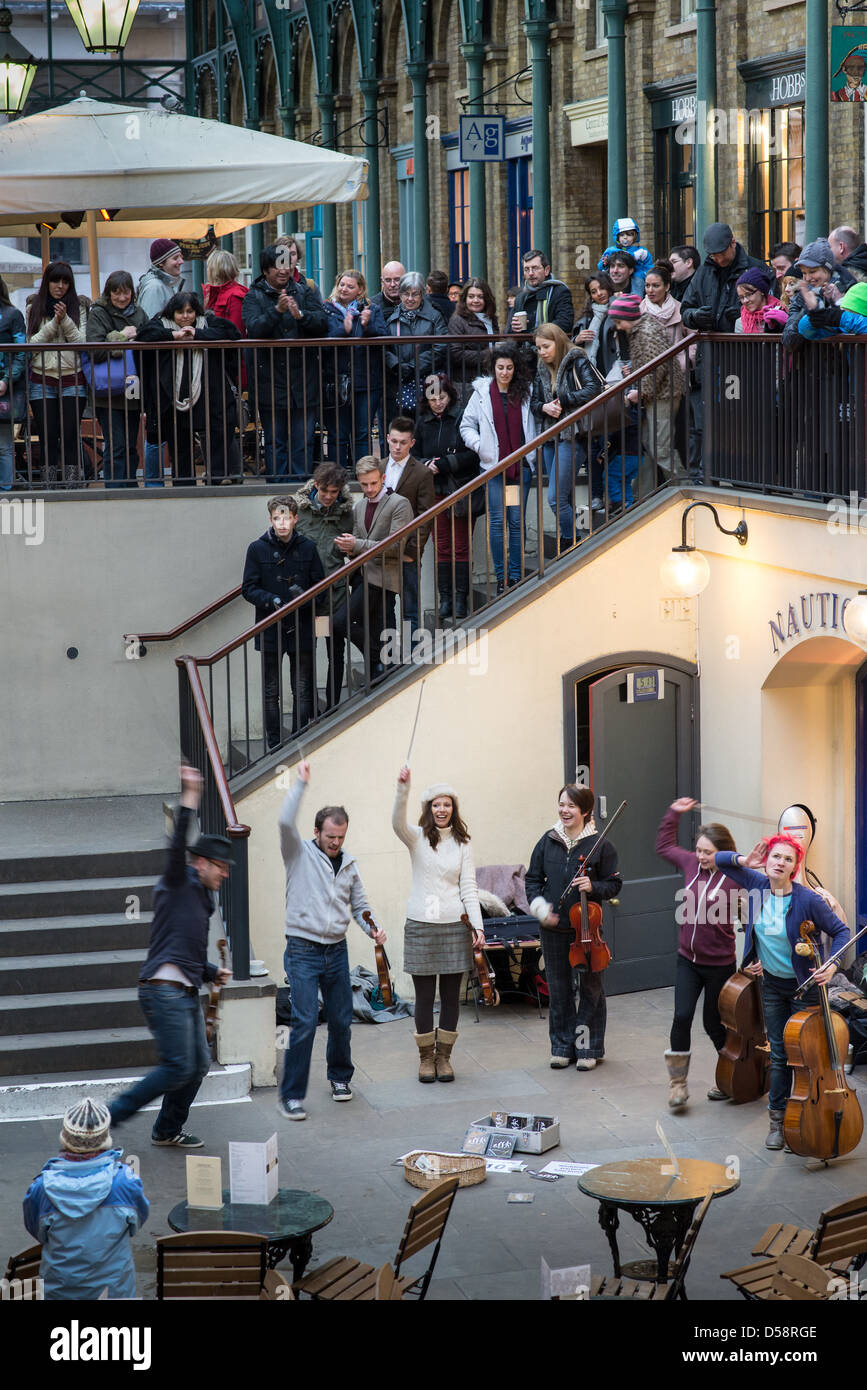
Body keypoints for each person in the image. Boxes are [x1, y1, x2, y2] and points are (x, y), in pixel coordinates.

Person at [109, 765, 233, 1147]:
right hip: (162, 990)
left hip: (181, 990)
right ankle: (107, 1118)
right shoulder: (178, 881)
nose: (225, 874)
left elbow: (186, 950)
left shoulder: (201, 899)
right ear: (201, 862)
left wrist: (212, 972)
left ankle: (166, 1129)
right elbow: (177, 843)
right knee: (179, 1064)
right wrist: (190, 798)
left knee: (196, 1066)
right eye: (221, 867)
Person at [714, 833, 849, 1149]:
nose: (780, 862)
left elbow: (842, 932)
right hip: (773, 986)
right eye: (776, 856)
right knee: (777, 1053)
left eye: (788, 859)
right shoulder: (758, 884)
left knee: (806, 1057)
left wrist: (832, 965)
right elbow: (720, 861)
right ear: (768, 860)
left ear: (794, 868)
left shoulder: (807, 900)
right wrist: (745, 861)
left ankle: (806, 1117)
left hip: (805, 990)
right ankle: (778, 1122)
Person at [277, 758, 386, 1119]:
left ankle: (340, 1078)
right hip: (303, 948)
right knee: (305, 1020)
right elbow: (282, 821)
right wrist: (300, 784)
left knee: (341, 1018)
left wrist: (372, 927)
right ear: (317, 831)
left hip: (336, 950)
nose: (336, 843)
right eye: (330, 836)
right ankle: (291, 1096)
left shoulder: (350, 864)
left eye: (341, 837)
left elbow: (360, 905)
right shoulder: (298, 853)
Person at [393, 766, 484, 1082]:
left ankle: (444, 1058)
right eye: (436, 804)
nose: (442, 809)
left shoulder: (463, 843)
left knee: (450, 997)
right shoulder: (416, 838)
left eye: (447, 804)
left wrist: (478, 927)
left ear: (453, 809)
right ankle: (425, 1058)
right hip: (420, 924)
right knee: (423, 996)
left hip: (454, 925)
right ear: (429, 809)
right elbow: (395, 822)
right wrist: (403, 788)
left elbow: (469, 887)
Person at [654, 798, 744, 1109]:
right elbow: (664, 846)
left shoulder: (737, 878)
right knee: (681, 1016)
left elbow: (756, 919)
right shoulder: (691, 864)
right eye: (699, 850)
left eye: (707, 852)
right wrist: (674, 813)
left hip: (721, 965)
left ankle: (735, 1077)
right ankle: (677, 1084)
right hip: (687, 961)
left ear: (723, 852)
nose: (701, 856)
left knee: (715, 1025)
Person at [526, 784, 621, 1069]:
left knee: (591, 991)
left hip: (587, 931)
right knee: (559, 990)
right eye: (562, 804)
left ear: (586, 811)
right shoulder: (548, 840)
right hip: (553, 929)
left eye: (571, 806)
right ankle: (562, 1047)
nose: (564, 810)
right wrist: (541, 909)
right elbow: (532, 880)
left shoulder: (601, 845)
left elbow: (614, 884)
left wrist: (594, 885)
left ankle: (587, 1049)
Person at [23, 1099, 149, 1300]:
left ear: (65, 1137)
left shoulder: (40, 1188)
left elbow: (38, 1232)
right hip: (115, 1292)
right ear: (105, 1137)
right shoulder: (126, 1182)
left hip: (59, 1292)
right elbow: (136, 1224)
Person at [680, 222, 768, 469]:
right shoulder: (704, 272)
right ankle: (712, 471)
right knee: (710, 417)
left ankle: (744, 469)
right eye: (713, 254)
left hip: (744, 359)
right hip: (711, 358)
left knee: (742, 415)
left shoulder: (754, 267)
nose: (717, 258)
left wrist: (738, 316)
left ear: (733, 243)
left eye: (721, 253)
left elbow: (770, 308)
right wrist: (697, 316)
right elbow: (685, 309)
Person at [242, 495, 324, 747]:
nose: (282, 523)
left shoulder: (308, 547)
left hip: (301, 626)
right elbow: (248, 588)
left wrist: (305, 596)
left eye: (286, 517)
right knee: (271, 691)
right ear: (271, 519)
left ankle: (300, 737)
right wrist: (272, 600)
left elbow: (321, 586)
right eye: (277, 518)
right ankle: (274, 743)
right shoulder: (257, 548)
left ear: (295, 518)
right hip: (271, 627)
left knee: (301, 687)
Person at [242, 243, 328, 481]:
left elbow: (322, 323)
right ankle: (277, 486)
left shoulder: (304, 291)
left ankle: (300, 485)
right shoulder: (253, 295)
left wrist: (301, 316)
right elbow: (254, 328)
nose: (284, 270)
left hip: (304, 379)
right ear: (266, 269)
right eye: (278, 266)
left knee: (303, 439)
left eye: (287, 264)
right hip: (270, 380)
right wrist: (277, 312)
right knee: (275, 440)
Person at [138, 289, 241, 485]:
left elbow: (232, 332)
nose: (185, 316)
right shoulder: (160, 324)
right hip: (173, 399)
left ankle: (217, 479)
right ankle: (183, 484)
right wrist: (174, 336)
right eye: (180, 312)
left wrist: (199, 334)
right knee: (180, 444)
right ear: (171, 313)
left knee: (217, 433)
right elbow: (144, 334)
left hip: (207, 395)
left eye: (190, 311)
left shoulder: (207, 323)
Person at [460, 339, 538, 594]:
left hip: (518, 468)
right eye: (500, 367)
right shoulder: (482, 392)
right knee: (496, 522)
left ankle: (515, 576)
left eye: (509, 368)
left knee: (515, 521)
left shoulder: (526, 391)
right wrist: (480, 446)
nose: (505, 373)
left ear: (516, 369)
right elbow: (466, 425)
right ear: (493, 368)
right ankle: (502, 577)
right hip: (494, 470)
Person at [332, 456, 413, 678]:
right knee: (377, 629)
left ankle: (377, 659)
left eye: (374, 483)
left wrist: (356, 544)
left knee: (341, 622)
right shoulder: (359, 507)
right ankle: (379, 669)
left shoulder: (399, 503)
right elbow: (359, 542)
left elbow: (396, 546)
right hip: (362, 576)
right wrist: (349, 547)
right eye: (364, 484)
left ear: (383, 478)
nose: (369, 489)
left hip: (383, 579)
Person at [414, 372, 480, 621]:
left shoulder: (462, 416)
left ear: (449, 395)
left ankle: (461, 600)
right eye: (432, 399)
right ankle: (446, 600)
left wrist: (444, 464)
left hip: (460, 490)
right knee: (442, 546)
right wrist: (426, 464)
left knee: (460, 546)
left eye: (441, 397)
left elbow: (472, 454)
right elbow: (415, 454)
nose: (438, 402)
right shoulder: (423, 422)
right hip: (435, 492)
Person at [531, 322, 599, 546]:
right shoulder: (542, 367)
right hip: (551, 436)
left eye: (546, 346)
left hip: (573, 434)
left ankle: (570, 542)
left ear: (558, 342)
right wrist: (544, 407)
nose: (542, 352)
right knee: (563, 495)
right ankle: (576, 537)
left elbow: (593, 389)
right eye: (539, 348)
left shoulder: (576, 359)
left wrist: (564, 400)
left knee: (555, 498)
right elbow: (534, 401)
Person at [295, 462, 355, 709]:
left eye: (335, 492)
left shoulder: (346, 513)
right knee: (307, 653)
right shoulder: (300, 511)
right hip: (308, 596)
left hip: (335, 595)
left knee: (335, 653)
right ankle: (308, 709)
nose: (330, 497)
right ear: (316, 486)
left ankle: (332, 705)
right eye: (326, 491)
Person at [613, 292, 685, 491]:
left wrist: (640, 392)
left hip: (663, 394)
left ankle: (685, 489)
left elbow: (657, 367)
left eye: (619, 321)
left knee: (660, 448)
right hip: (660, 393)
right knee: (650, 443)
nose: (618, 327)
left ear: (629, 317)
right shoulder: (642, 329)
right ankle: (643, 493)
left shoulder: (646, 332)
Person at [85, 271, 148, 490]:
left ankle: (129, 488)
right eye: (117, 293)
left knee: (131, 445)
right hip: (107, 391)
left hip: (132, 386)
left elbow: (149, 340)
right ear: (109, 292)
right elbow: (95, 350)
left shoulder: (140, 313)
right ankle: (114, 491)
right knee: (117, 445)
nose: (122, 298)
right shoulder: (98, 313)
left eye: (126, 292)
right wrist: (122, 336)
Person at [27, 261, 87, 487]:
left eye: (65, 282)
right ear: (47, 282)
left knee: (71, 434)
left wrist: (66, 320)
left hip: (73, 376)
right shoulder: (34, 306)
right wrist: (54, 322)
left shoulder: (79, 306)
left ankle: (73, 485)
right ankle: (48, 484)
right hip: (41, 379)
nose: (60, 286)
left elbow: (82, 342)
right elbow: (32, 342)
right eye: (55, 280)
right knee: (47, 435)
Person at [322, 268, 388, 468]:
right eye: (342, 284)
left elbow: (384, 338)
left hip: (366, 380)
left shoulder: (371, 309)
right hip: (336, 380)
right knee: (337, 433)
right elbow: (322, 339)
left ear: (360, 290)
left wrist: (367, 326)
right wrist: (345, 330)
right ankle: (337, 476)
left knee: (361, 432)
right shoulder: (326, 309)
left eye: (350, 286)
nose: (344, 289)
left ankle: (363, 474)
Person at [377, 414, 435, 632]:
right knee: (384, 609)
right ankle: (390, 660)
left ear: (412, 443)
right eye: (394, 441)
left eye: (403, 442)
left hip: (407, 551)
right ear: (387, 438)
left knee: (410, 608)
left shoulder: (421, 472)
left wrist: (412, 551)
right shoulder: (379, 467)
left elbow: (425, 516)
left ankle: (412, 657)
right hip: (382, 550)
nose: (397, 447)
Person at [136, 239, 185, 487]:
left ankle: (155, 480)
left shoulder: (163, 285)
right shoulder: (156, 288)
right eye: (175, 258)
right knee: (156, 427)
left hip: (164, 366)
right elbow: (151, 329)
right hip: (159, 368)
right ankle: (154, 483)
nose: (181, 261)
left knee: (161, 426)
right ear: (161, 262)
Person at [384, 272, 448, 416]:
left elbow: (440, 346)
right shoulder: (391, 318)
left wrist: (413, 366)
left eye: (415, 294)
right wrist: (396, 365)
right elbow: (385, 347)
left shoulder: (434, 316)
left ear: (423, 294)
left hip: (429, 378)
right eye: (406, 294)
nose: (410, 299)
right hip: (402, 379)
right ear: (400, 295)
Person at [780, 239, 855, 351]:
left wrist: (834, 303)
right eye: (804, 273)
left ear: (827, 269)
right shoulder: (800, 297)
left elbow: (852, 329)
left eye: (813, 271)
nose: (808, 278)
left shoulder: (850, 290)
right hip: (809, 366)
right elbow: (789, 342)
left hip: (842, 366)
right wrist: (808, 309)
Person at [447, 277, 500, 391]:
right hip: (466, 384)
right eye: (471, 297)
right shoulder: (457, 320)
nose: (475, 300)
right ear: (464, 299)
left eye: (480, 297)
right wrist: (488, 355)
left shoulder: (491, 319)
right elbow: (456, 353)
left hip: (491, 378)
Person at [506, 249, 574, 334]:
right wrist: (514, 329)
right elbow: (509, 334)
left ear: (546, 270)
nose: (530, 273)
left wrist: (536, 334)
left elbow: (565, 324)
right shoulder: (520, 298)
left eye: (535, 268)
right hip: (524, 346)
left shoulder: (560, 292)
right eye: (526, 269)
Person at [0, 275, 26, 493]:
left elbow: (21, 353)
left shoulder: (13, 314)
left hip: (4, 387)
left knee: (4, 445)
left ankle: (6, 491)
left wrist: (6, 379)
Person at [572, 271, 617, 372]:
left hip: (614, 371)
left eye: (602, 288)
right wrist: (577, 340)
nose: (599, 293)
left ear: (609, 287)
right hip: (591, 372)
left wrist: (615, 300)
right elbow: (571, 349)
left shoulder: (619, 308)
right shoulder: (586, 317)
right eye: (594, 291)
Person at [597, 217, 652, 293]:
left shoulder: (641, 251)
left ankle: (635, 300)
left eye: (629, 235)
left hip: (637, 274)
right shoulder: (611, 250)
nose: (625, 238)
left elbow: (648, 265)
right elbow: (600, 267)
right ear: (617, 237)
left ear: (635, 236)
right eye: (622, 235)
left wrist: (645, 274)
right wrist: (604, 263)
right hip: (615, 279)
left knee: (638, 282)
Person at [734, 268, 787, 334]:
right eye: (741, 297)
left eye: (749, 294)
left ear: (761, 291)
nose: (745, 301)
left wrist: (787, 322)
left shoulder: (781, 312)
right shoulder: (740, 322)